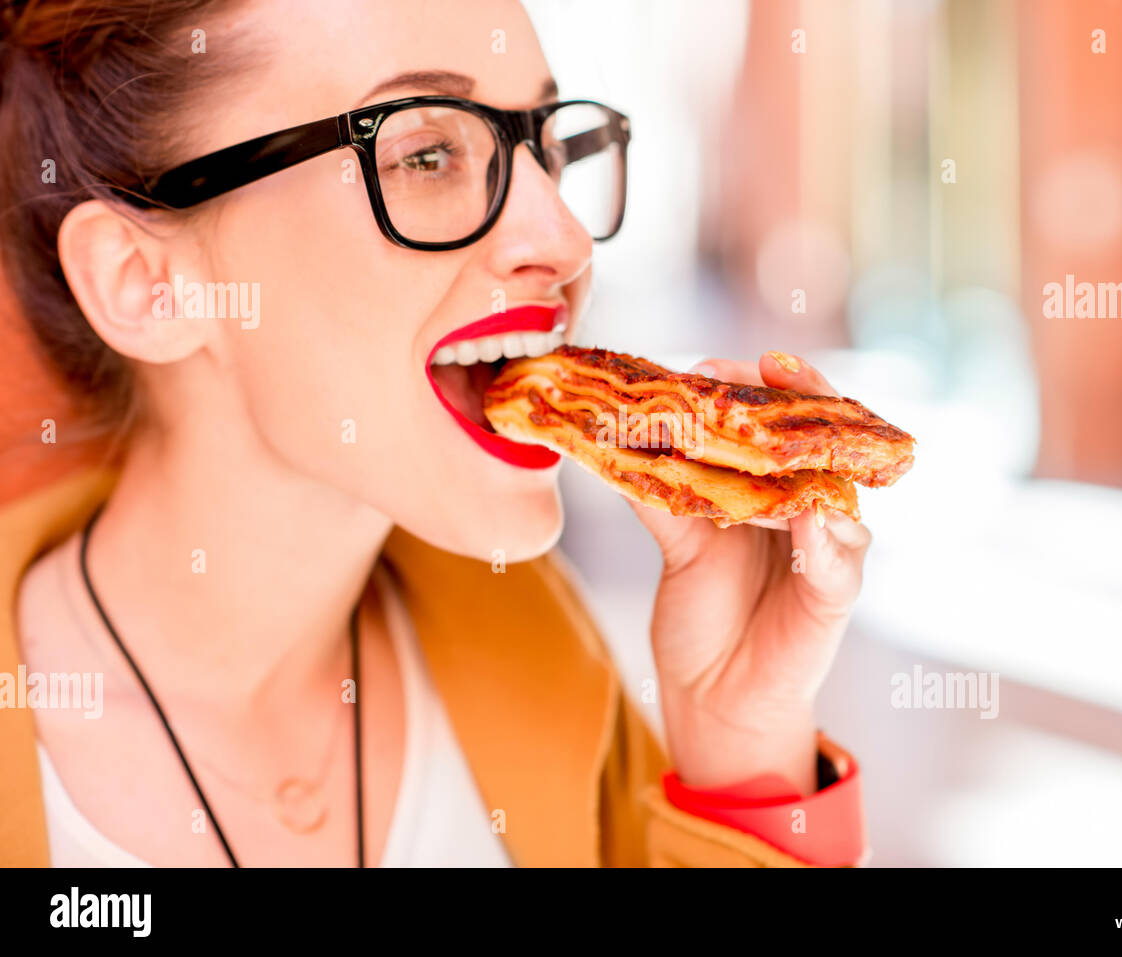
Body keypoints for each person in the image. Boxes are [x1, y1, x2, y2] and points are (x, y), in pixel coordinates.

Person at [0, 0, 869, 867]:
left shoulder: (554, 678)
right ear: (144, 283)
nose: (564, 240)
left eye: (546, 150)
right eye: (424, 153)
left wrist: (742, 744)